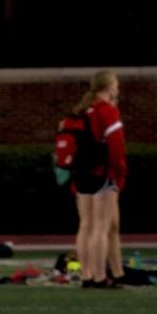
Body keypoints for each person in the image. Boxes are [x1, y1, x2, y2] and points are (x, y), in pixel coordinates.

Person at [68, 70, 127, 289]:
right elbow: (116, 147)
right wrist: (120, 173)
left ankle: (87, 274)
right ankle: (100, 276)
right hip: (102, 173)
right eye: (116, 84)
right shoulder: (107, 112)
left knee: (86, 226)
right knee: (101, 227)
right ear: (108, 87)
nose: (117, 88)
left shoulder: (83, 110)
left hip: (82, 173)